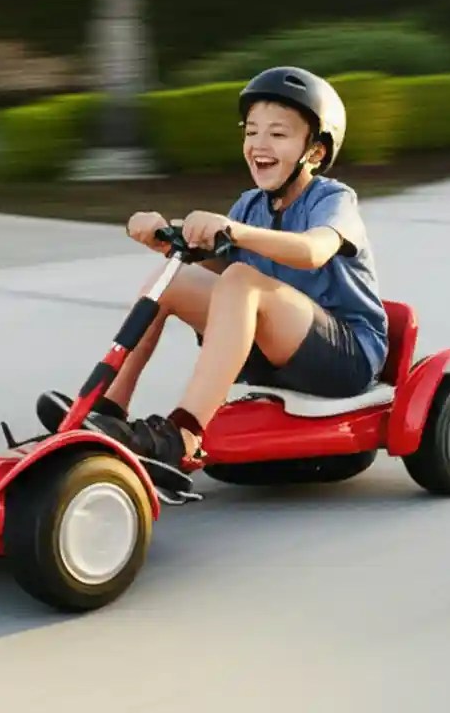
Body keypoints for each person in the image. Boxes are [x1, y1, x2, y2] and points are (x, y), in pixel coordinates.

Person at [36, 66, 388, 492]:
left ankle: (181, 435)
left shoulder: (333, 199)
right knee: (174, 280)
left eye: (277, 134)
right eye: (252, 131)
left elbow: (312, 251)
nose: (259, 143)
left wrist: (233, 231)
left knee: (242, 278)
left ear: (313, 152)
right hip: (272, 351)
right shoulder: (249, 205)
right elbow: (217, 273)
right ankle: (108, 409)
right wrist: (170, 240)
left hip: (343, 358)